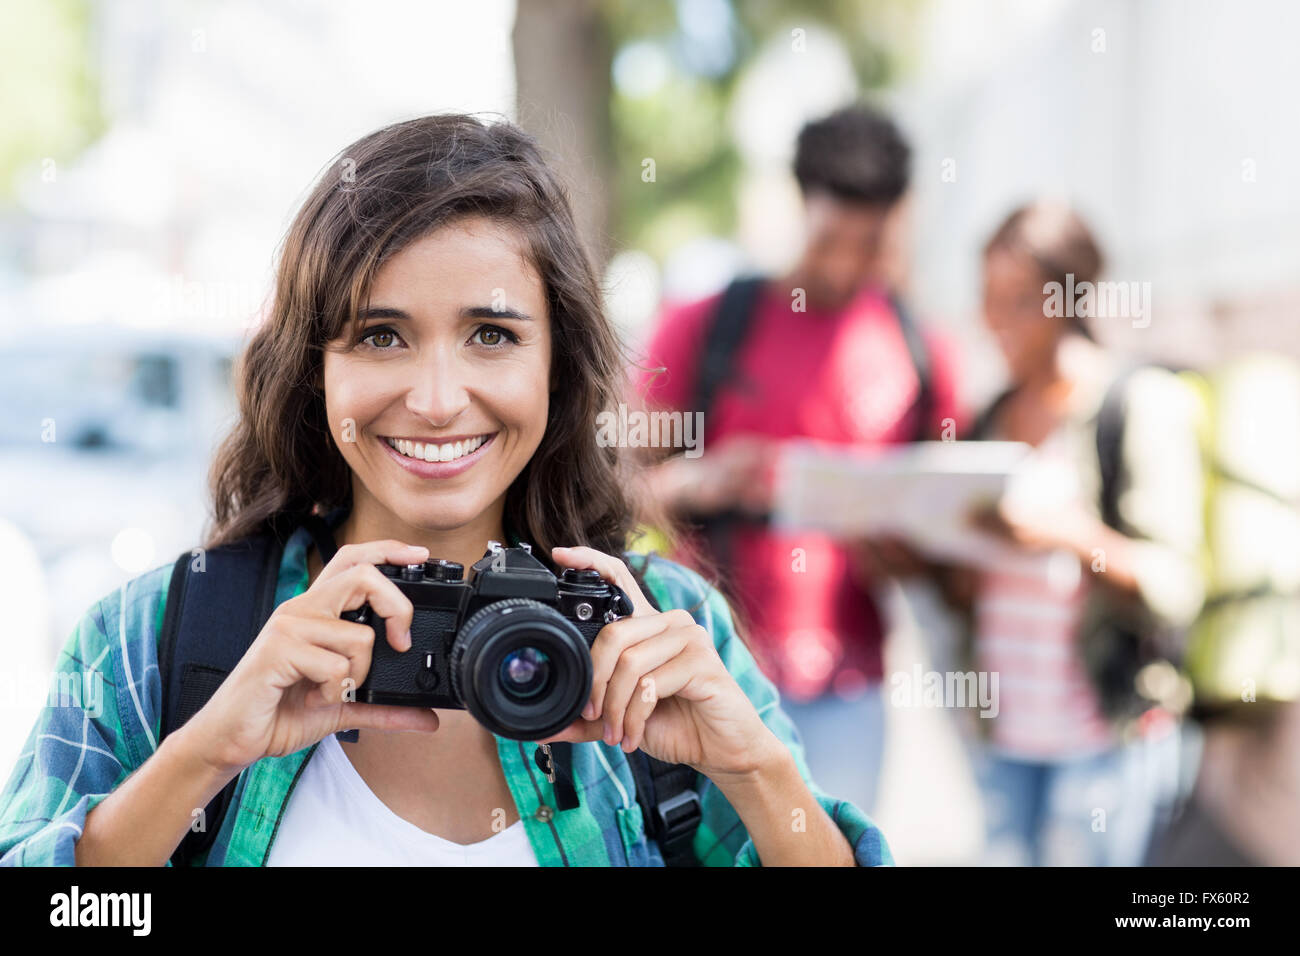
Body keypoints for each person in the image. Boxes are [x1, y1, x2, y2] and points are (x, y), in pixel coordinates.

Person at [0, 113, 892, 867]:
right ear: (314, 370)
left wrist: (757, 774)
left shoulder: (664, 635)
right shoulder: (156, 641)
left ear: (559, 365)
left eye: (492, 336)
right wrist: (202, 754)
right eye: (380, 337)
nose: (433, 401)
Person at [634, 104, 962, 817]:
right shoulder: (707, 326)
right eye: (830, 241)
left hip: (852, 684)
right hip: (709, 670)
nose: (846, 266)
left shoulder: (916, 345)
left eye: (869, 245)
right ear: (798, 206)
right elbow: (607, 494)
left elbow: (951, 531)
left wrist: (908, 549)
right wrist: (698, 480)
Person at [942, 200, 1204, 866]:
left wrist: (1064, 534)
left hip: (1102, 737)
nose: (994, 321)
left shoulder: (1134, 404)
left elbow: (1175, 582)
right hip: (1004, 736)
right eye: (988, 299)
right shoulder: (989, 419)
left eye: (1018, 300)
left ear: (1067, 299)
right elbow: (972, 589)